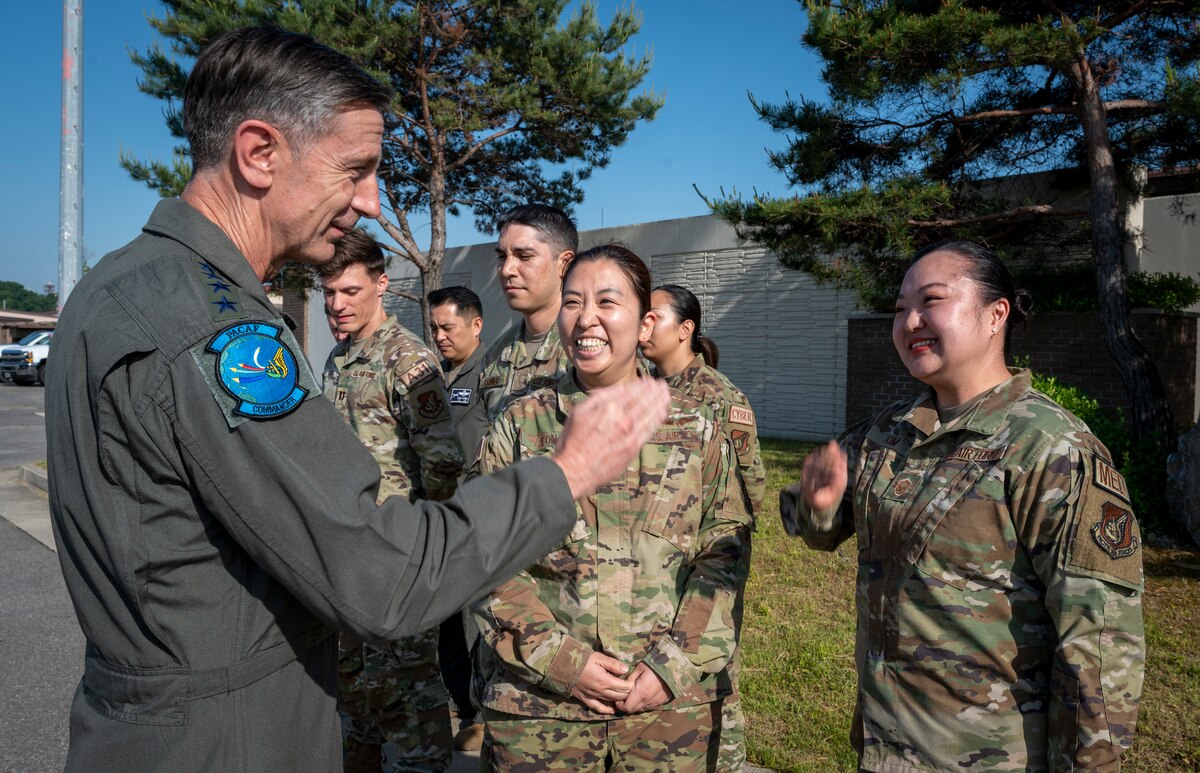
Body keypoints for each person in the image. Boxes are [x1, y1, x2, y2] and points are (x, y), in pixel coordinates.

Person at [43, 26, 670, 772]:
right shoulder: (217, 331)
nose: (371, 202)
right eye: (355, 169)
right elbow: (383, 577)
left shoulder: (114, 286)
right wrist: (564, 474)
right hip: (231, 742)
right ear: (259, 153)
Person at [780, 240, 1145, 771]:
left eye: (931, 301)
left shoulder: (1051, 449)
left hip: (990, 757)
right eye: (900, 308)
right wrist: (818, 504)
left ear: (996, 313)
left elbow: (1100, 649)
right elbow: (811, 529)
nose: (909, 322)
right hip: (886, 746)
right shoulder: (889, 431)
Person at [471, 245, 753, 771]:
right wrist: (560, 659)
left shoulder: (696, 428)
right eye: (573, 302)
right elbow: (484, 553)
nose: (587, 319)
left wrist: (672, 666)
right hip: (542, 712)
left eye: (607, 301)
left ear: (645, 322)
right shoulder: (518, 425)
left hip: (666, 712)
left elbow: (725, 552)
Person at [318, 229, 462, 772]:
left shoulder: (410, 362)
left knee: (410, 687)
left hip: (400, 555)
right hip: (349, 551)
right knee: (355, 684)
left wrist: (431, 551)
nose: (337, 305)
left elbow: (443, 464)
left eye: (349, 291)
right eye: (329, 293)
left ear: (381, 285)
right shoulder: (338, 357)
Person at [641, 283, 765, 771]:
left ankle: (724, 761)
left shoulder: (717, 396)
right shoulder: (639, 387)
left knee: (710, 668)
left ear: (685, 329)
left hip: (702, 560)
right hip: (650, 560)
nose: (642, 326)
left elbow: (747, 494)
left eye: (653, 317)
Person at [426, 284, 489, 751]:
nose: (440, 336)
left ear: (475, 325)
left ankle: (478, 710)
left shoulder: (491, 374)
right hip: (440, 516)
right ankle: (457, 699)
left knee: (474, 617)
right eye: (434, 328)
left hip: (477, 514)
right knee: (447, 614)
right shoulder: (438, 377)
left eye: (448, 327)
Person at [477, 204, 575, 420]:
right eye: (502, 256)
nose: (507, 270)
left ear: (565, 264)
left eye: (524, 256)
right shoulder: (496, 355)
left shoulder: (588, 347)